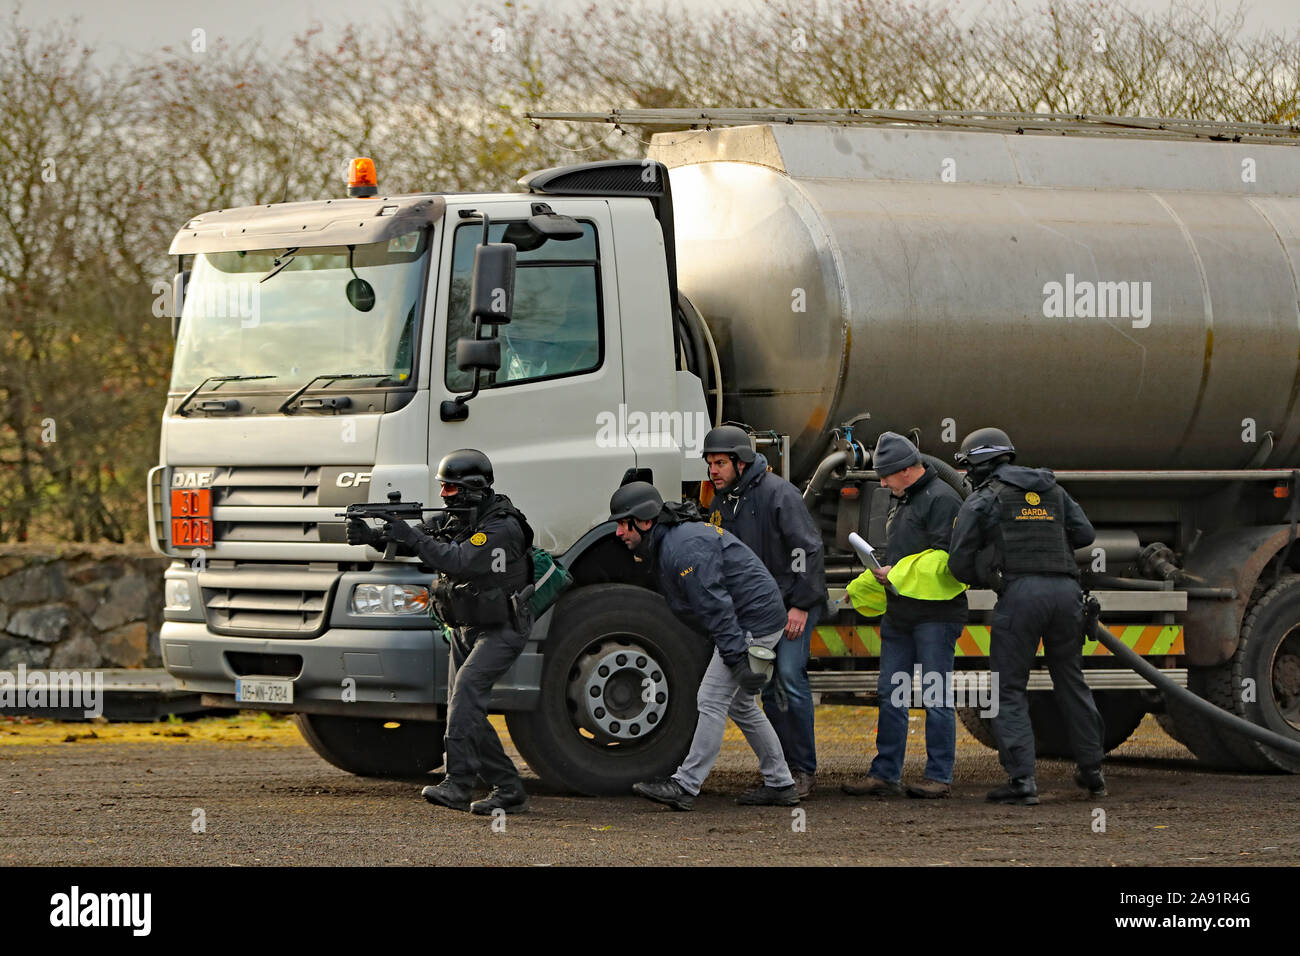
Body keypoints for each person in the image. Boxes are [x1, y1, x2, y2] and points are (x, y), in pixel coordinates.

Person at [346, 448, 535, 816]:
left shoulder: (501, 526)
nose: (444, 496)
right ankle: (509, 789)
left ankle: (459, 783)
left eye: (451, 489)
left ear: (474, 488)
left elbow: (457, 561)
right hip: (467, 623)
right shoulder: (456, 519)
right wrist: (372, 536)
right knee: (464, 707)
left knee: (466, 695)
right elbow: (413, 540)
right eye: (443, 488)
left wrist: (411, 537)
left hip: (502, 627)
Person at [609, 480, 799, 811]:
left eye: (623, 524)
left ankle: (686, 785)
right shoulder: (671, 542)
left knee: (710, 699)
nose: (618, 533)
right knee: (741, 705)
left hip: (750, 621)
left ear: (644, 521)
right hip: (754, 617)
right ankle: (781, 783)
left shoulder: (683, 549)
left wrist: (737, 656)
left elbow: (716, 606)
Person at [947, 427, 1107, 805]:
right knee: (1071, 681)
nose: (968, 474)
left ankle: (1023, 782)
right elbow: (1085, 535)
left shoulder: (984, 499)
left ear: (981, 463)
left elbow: (957, 563)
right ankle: (1093, 773)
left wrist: (988, 574)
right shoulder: (1053, 489)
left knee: (1008, 688)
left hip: (1020, 595)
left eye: (969, 466)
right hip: (1067, 593)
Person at [702, 425, 827, 798]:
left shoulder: (779, 495)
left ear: (741, 462)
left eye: (720, 463)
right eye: (710, 464)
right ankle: (782, 772)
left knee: (788, 678)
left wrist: (801, 606)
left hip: (791, 606)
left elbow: (808, 549)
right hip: (756, 612)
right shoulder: (722, 502)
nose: (713, 471)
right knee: (767, 689)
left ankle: (803, 770)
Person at [842, 433, 968, 799]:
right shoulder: (906, 498)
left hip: (937, 615)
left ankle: (939, 776)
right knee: (890, 692)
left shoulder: (944, 500)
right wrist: (871, 580)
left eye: (886, 475)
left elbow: (949, 562)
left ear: (908, 470)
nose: (881, 483)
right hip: (900, 611)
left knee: (935, 694)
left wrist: (894, 572)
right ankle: (885, 773)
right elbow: (905, 557)